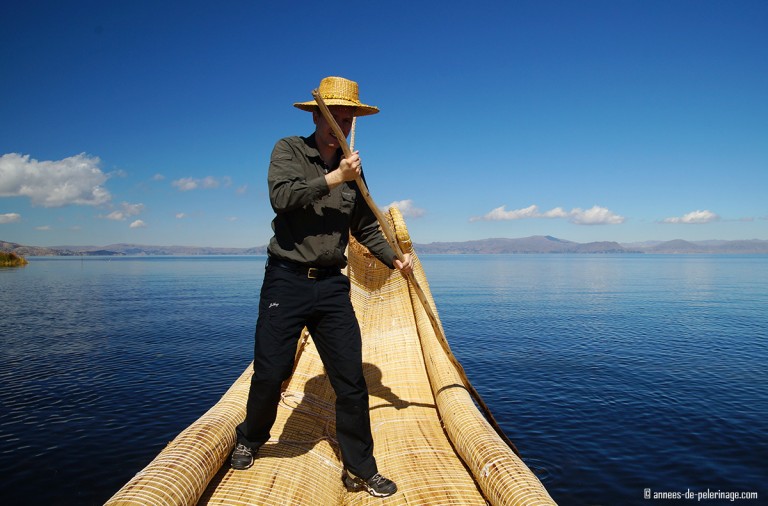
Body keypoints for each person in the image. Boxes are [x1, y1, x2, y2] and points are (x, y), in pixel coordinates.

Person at [230, 76, 413, 499]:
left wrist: (394, 258)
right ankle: (251, 436)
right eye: (333, 116)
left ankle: (360, 468)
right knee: (272, 370)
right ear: (316, 116)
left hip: (331, 286)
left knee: (350, 380)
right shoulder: (289, 150)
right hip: (286, 279)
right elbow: (283, 197)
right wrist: (334, 178)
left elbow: (365, 225)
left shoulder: (355, 166)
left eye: (347, 118)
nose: (341, 125)